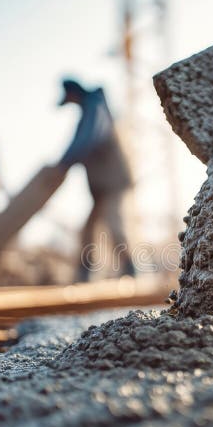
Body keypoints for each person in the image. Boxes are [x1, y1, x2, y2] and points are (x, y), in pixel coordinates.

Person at [58, 79, 136, 281]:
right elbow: (81, 140)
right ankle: (86, 272)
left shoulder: (95, 107)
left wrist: (65, 162)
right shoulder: (89, 110)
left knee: (113, 224)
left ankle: (130, 269)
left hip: (112, 181)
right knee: (89, 228)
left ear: (73, 94)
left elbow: (89, 138)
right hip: (100, 185)